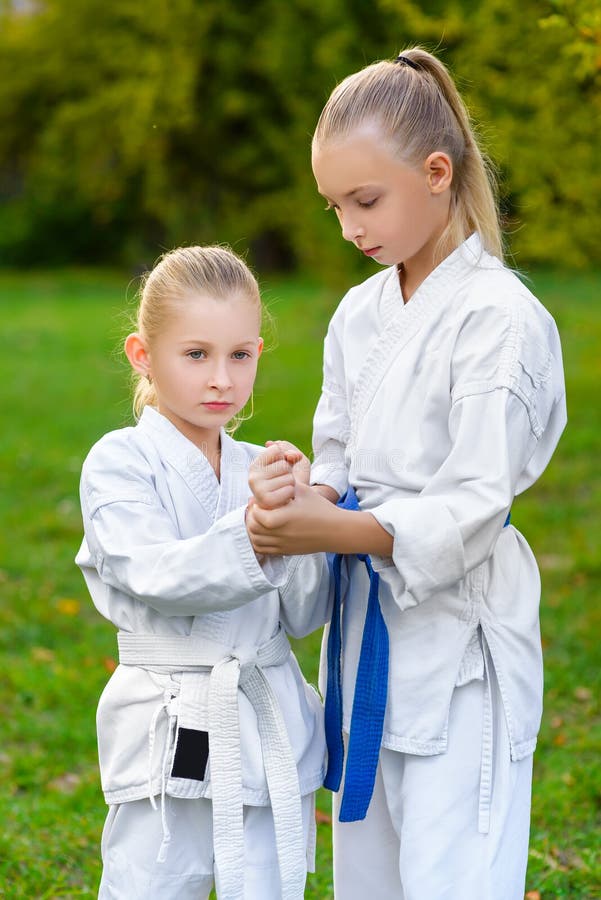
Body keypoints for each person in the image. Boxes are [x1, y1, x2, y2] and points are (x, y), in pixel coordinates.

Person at [246, 47, 567, 900]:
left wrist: (331, 527)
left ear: (435, 173)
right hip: (366, 632)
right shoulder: (358, 314)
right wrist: (297, 495)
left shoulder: (499, 318)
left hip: (459, 640)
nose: (350, 226)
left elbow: (471, 504)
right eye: (333, 207)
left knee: (453, 874)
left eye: (365, 200)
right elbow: (339, 458)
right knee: (371, 874)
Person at [75, 245, 331, 900]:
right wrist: (256, 529)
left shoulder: (260, 467)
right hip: (169, 720)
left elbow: (303, 614)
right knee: (152, 883)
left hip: (264, 712)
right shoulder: (119, 463)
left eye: (239, 355)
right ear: (143, 355)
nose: (221, 378)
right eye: (196, 355)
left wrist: (302, 520)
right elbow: (153, 573)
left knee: (268, 887)